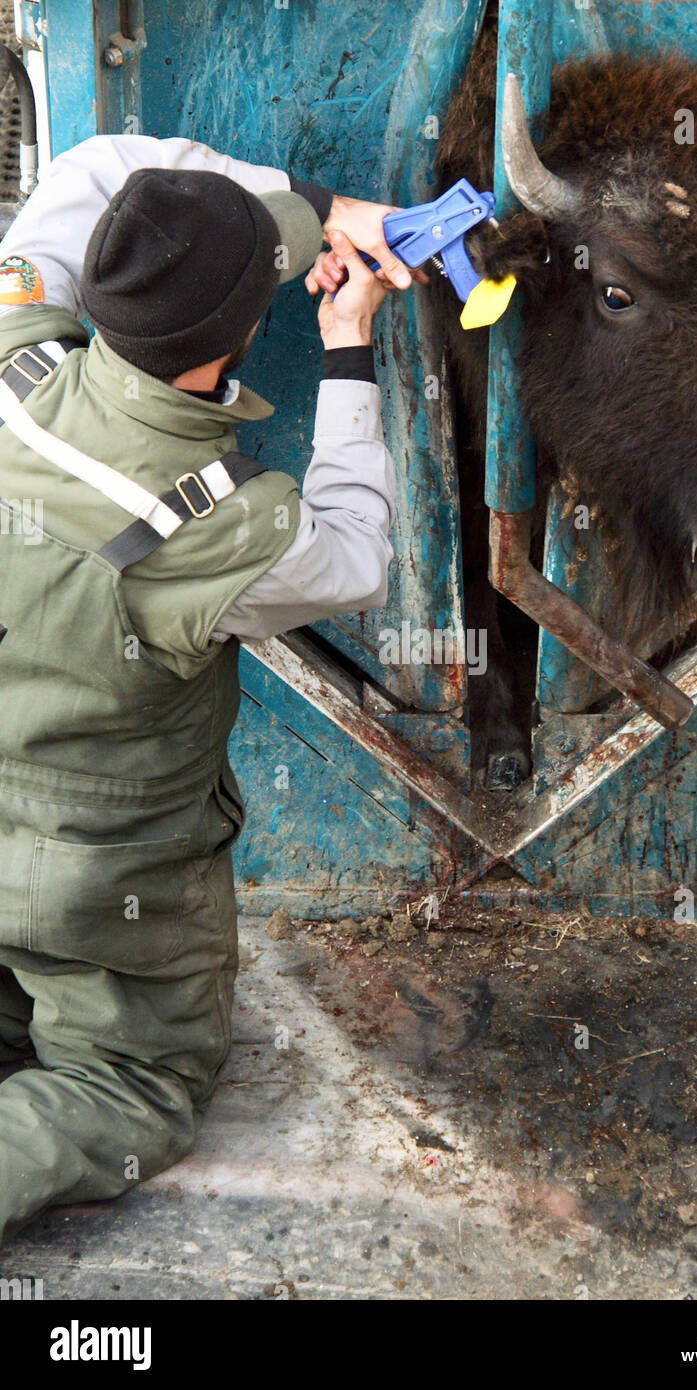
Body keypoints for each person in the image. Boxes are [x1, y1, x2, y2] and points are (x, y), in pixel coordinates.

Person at [0, 132, 417, 1245]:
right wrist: (345, 347)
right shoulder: (216, 528)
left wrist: (331, 207)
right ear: (240, 340)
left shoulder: (15, 352)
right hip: (94, 886)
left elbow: (90, 163)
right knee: (133, 1088)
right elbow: (354, 554)